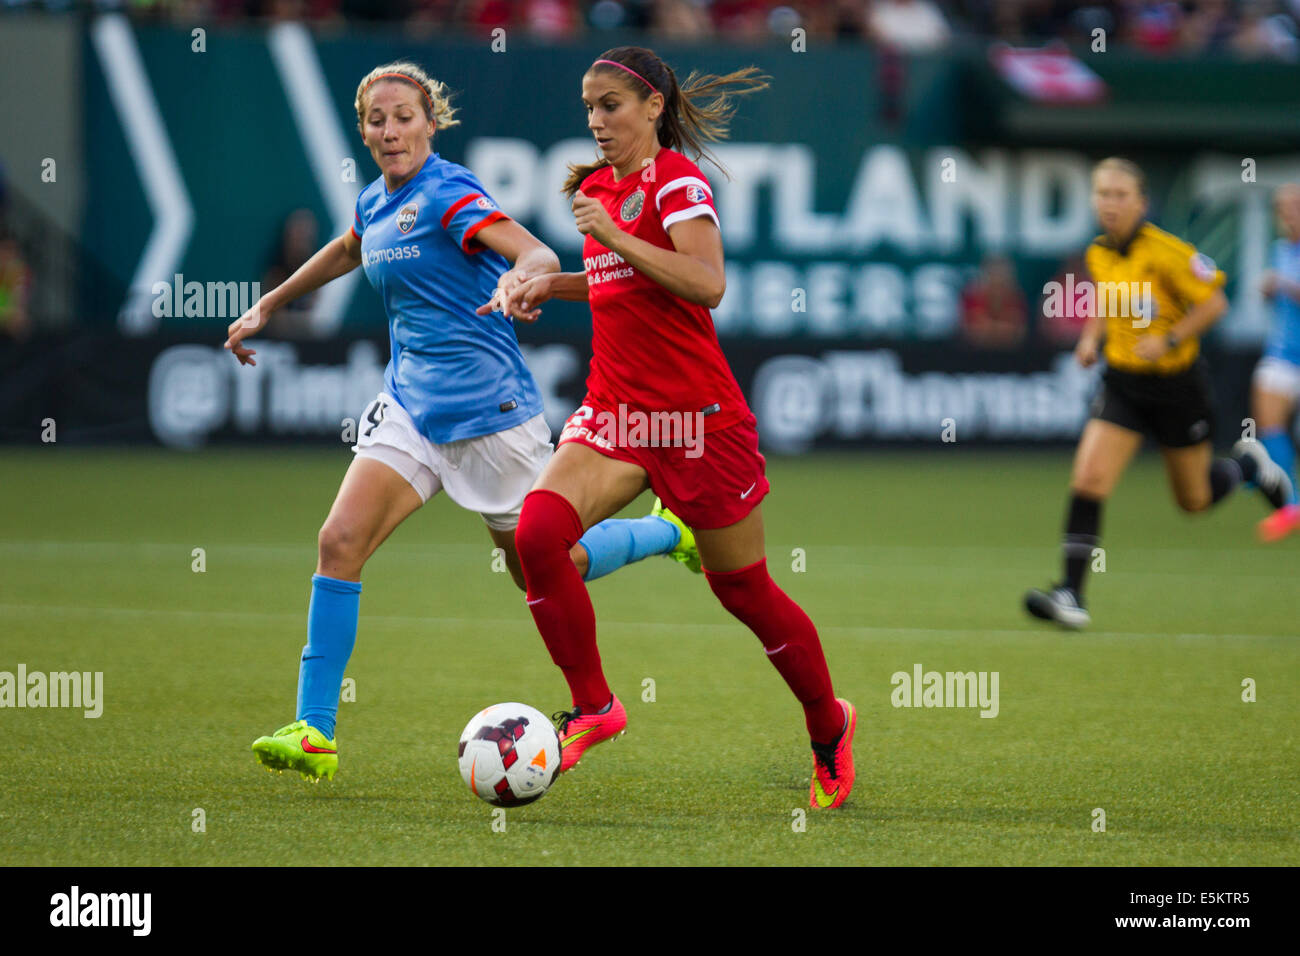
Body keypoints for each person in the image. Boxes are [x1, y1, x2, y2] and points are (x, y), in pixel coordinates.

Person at [224, 61, 698, 783]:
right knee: (339, 540)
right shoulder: (376, 204)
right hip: (410, 409)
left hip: (491, 416)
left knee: (548, 566)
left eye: (404, 117)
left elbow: (534, 250)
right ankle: (314, 731)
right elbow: (351, 246)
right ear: (364, 130)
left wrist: (521, 275)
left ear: (430, 123)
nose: (390, 132)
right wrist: (271, 304)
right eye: (377, 120)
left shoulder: (449, 192)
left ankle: (667, 531)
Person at [501, 47, 856, 810]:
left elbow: (706, 283)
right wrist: (545, 285)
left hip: (698, 422)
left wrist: (614, 235)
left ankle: (829, 726)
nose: (596, 121)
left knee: (746, 593)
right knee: (535, 537)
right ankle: (595, 706)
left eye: (611, 106)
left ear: (654, 106)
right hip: (617, 414)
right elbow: (616, 283)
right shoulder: (598, 189)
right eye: (589, 108)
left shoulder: (678, 183)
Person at [1024, 157, 1292, 630]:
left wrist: (1168, 339)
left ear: (1142, 203)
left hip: (1176, 388)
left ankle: (1248, 466)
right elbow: (1105, 302)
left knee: (1193, 501)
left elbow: (1214, 303)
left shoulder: (1168, 252)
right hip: (1124, 384)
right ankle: (1071, 594)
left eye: (1120, 195)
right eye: (1102, 194)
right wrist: (1090, 340)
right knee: (1088, 479)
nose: (1110, 203)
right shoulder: (1099, 253)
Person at [1251, 182, 1300, 540]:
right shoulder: (1281, 250)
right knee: (1268, 423)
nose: (1286, 214)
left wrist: (1284, 285)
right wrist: (1272, 290)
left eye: (1293, 206)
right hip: (1283, 353)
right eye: (1281, 208)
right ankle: (1290, 504)